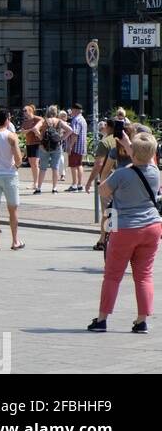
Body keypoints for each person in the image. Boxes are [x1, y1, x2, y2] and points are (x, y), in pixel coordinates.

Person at [88, 131, 161, 334]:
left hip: (126, 227)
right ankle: (141, 320)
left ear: (132, 155)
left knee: (112, 275)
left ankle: (102, 319)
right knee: (144, 275)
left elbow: (103, 190)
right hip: (152, 226)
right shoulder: (155, 171)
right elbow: (143, 156)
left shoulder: (122, 173)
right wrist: (129, 143)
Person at [0, 109, 25, 251]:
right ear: (7, 119)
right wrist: (15, 167)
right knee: (13, 210)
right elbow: (19, 159)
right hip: (9, 175)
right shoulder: (11, 136)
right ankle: (15, 241)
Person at [86, 121, 116, 251]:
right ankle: (105, 239)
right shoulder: (126, 140)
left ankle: (107, 240)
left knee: (109, 211)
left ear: (108, 127)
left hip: (108, 179)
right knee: (117, 210)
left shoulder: (105, 142)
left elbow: (98, 164)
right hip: (125, 180)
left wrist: (89, 181)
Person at [34, 105, 72, 194]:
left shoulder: (44, 121)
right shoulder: (59, 121)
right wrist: (61, 138)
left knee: (42, 168)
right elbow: (70, 130)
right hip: (56, 146)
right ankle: (54, 188)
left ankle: (39, 188)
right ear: (56, 113)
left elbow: (35, 129)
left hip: (44, 146)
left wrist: (41, 137)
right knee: (55, 168)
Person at [66, 103, 88, 192]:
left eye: (72, 110)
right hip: (81, 146)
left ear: (75, 110)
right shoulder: (83, 119)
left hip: (75, 146)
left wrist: (70, 146)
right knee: (79, 165)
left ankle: (74, 185)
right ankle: (79, 184)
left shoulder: (76, 120)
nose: (71, 112)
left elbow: (75, 134)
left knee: (73, 166)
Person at [21, 105, 41, 189]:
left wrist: (33, 130)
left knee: (35, 164)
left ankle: (37, 183)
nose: (24, 112)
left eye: (25, 110)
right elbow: (23, 132)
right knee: (32, 164)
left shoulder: (38, 119)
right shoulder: (25, 121)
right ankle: (34, 182)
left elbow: (42, 126)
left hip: (36, 143)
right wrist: (30, 130)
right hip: (29, 144)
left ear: (30, 111)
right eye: (23, 111)